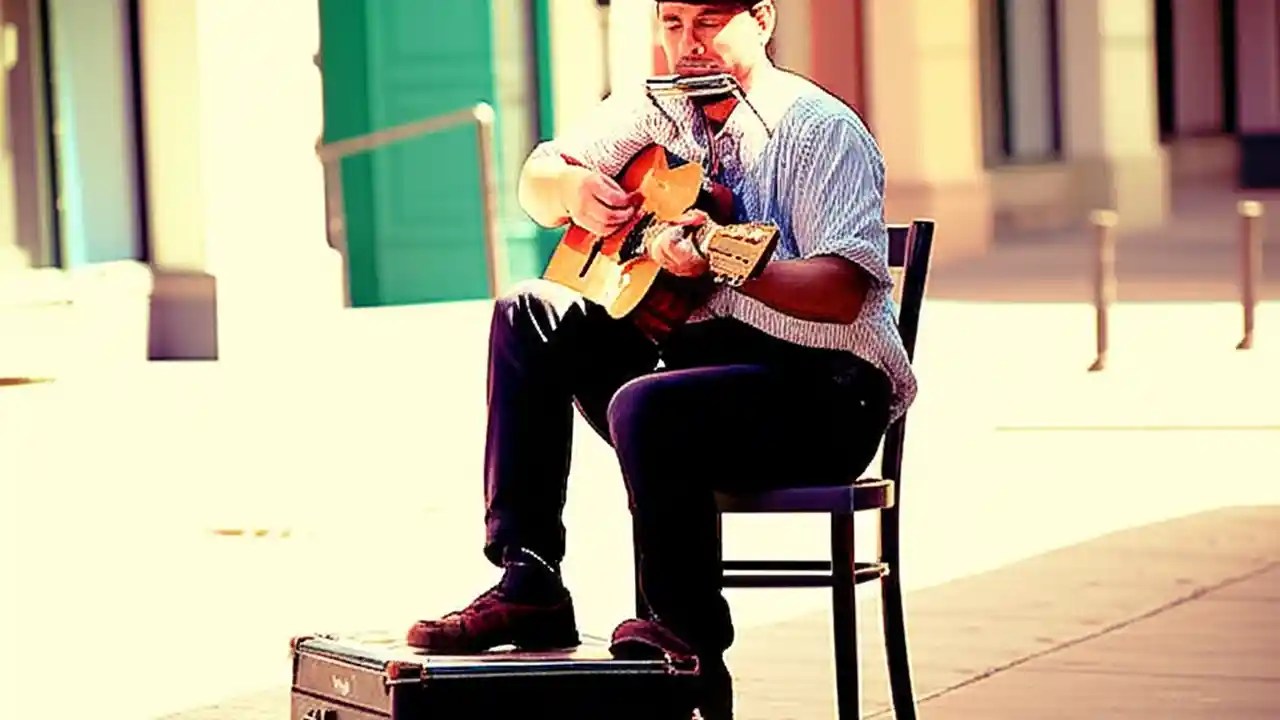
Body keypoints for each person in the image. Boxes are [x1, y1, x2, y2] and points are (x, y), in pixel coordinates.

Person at [406, 0, 916, 711]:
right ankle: (529, 579)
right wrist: (575, 190)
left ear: (763, 19)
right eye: (672, 23)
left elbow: (840, 290)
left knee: (650, 404)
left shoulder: (820, 129)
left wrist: (720, 260)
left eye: (708, 22)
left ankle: (688, 642)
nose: (688, 44)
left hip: (826, 393)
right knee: (531, 312)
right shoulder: (655, 110)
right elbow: (537, 180)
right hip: (701, 375)